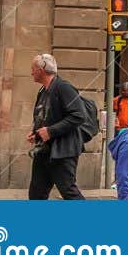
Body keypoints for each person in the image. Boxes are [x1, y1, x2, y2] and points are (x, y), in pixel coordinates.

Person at [26, 52, 89, 200]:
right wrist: (35, 134)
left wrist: (51, 131)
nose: (31, 72)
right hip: (44, 151)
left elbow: (79, 115)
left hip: (62, 151)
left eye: (33, 69)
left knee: (68, 191)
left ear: (41, 70)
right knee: (36, 193)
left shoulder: (63, 87)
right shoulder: (43, 91)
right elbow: (46, 118)